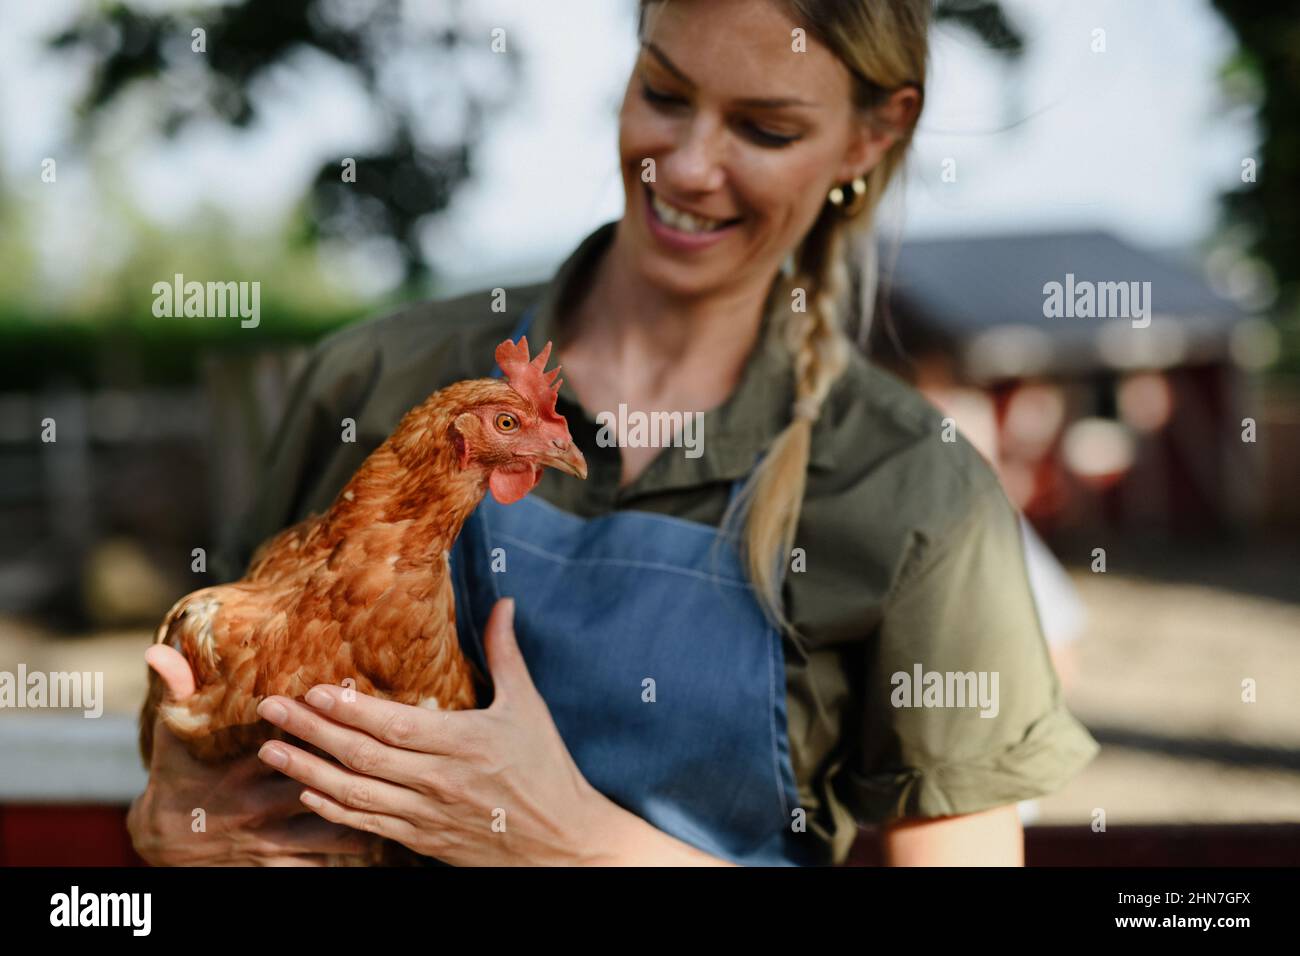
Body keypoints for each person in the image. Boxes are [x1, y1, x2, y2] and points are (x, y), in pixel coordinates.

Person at [128, 0, 1099, 867]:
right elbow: (209, 763)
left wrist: (574, 842)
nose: (685, 165)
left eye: (763, 127)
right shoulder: (372, 379)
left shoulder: (915, 491)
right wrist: (175, 831)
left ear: (870, 137)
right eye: (664, 94)